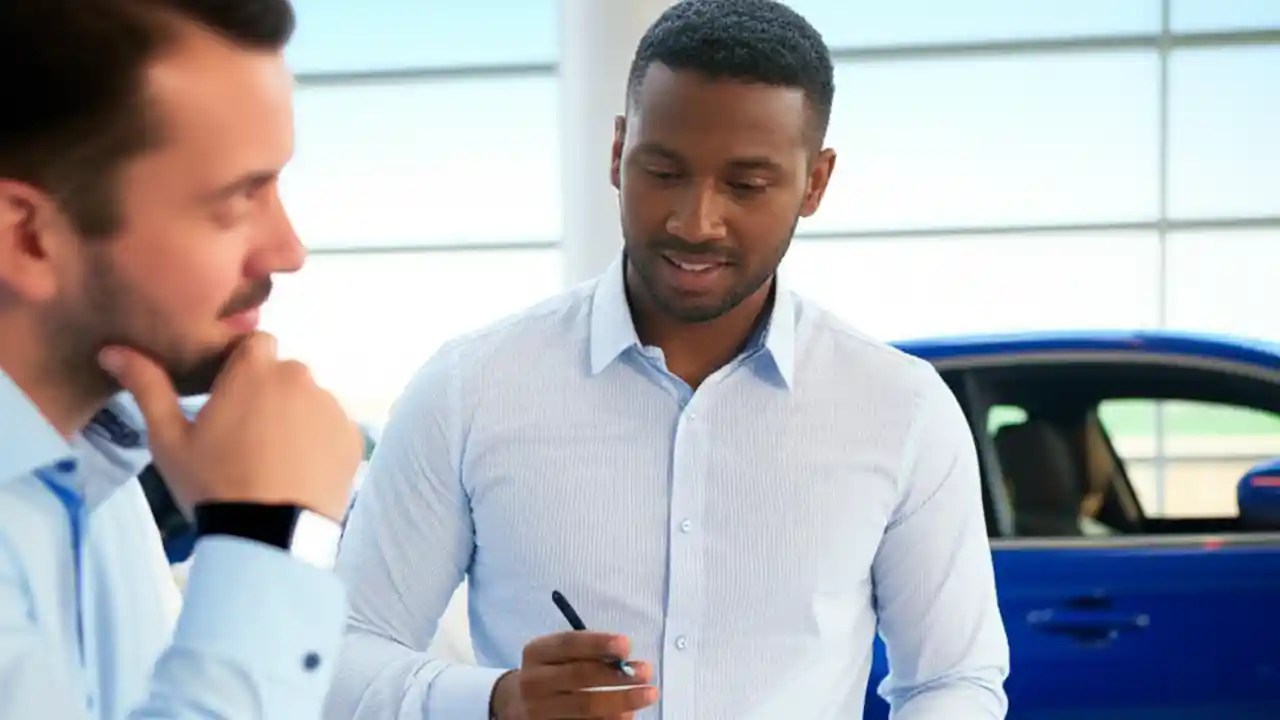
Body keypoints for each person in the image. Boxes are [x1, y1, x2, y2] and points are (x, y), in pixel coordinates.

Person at [327, 0, 1010, 718]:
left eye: (745, 185)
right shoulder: (470, 390)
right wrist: (498, 702)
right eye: (663, 171)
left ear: (815, 182)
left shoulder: (902, 411)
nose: (695, 221)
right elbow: (342, 656)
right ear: (618, 151)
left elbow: (951, 681)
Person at [0, 1, 364, 718]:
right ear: (30, 239)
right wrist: (271, 539)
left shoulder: (98, 488)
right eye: (236, 201)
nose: (288, 250)